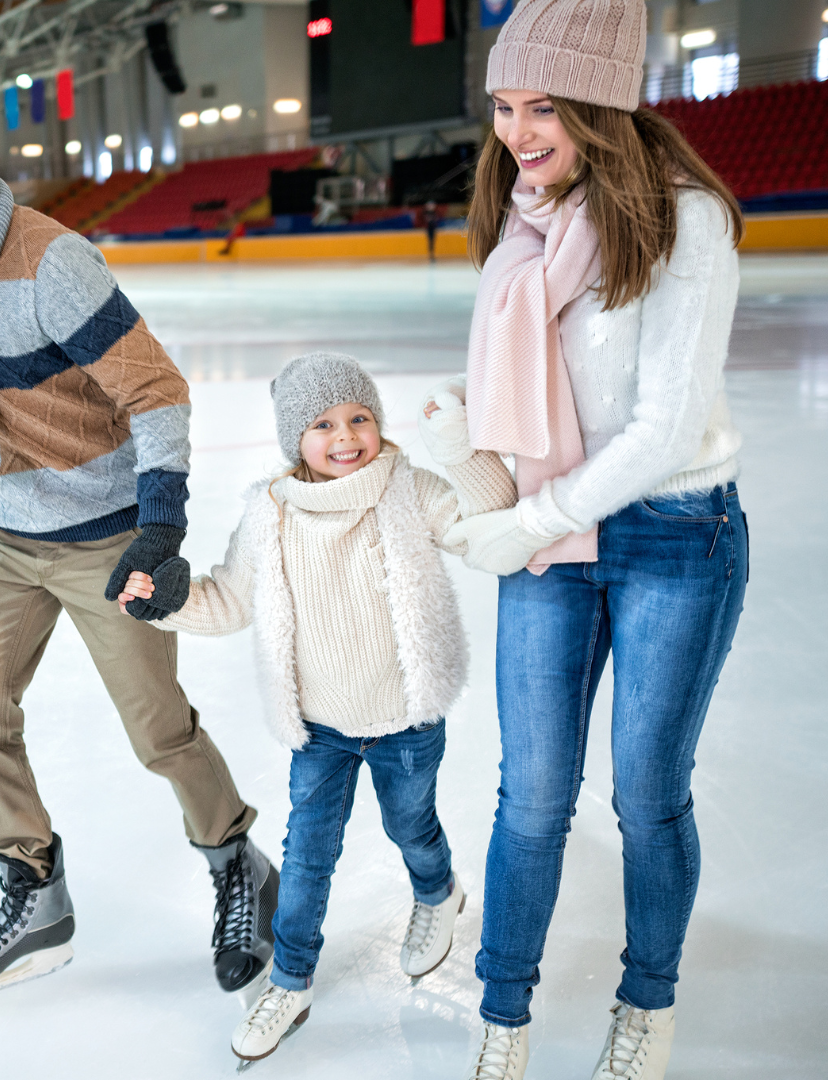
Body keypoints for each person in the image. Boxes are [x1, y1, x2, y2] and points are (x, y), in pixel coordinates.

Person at [0, 54, 277, 1003]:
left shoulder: (49, 260)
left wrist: (159, 525)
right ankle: (36, 895)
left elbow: (158, 390)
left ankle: (236, 868)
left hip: (102, 534)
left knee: (158, 733)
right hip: (4, 539)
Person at [419, 1, 748, 1077]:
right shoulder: (523, 216)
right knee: (534, 797)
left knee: (648, 797)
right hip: (557, 534)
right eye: (505, 106)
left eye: (543, 105)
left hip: (673, 533)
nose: (517, 130)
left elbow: (661, 425)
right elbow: (532, 391)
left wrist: (532, 520)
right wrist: (468, 435)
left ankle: (647, 1004)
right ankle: (502, 1014)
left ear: (600, 104)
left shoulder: (684, 218)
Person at [118, 352, 519, 1063]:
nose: (345, 435)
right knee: (307, 859)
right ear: (292, 439)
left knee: (411, 825)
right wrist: (165, 603)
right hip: (321, 731)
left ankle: (438, 895)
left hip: (405, 721)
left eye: (359, 417)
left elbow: (485, 529)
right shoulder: (270, 512)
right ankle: (292, 978)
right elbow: (231, 600)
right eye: (323, 423)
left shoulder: (407, 488)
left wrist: (465, 452)